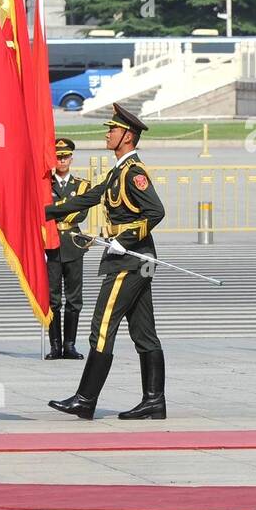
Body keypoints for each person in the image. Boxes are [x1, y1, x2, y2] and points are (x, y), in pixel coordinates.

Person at [48, 103, 168, 420]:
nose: (108, 133)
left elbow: (156, 212)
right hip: (134, 261)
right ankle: (154, 401)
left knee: (101, 327)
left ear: (127, 136)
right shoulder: (118, 171)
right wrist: (43, 211)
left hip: (129, 260)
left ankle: (86, 399)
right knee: (144, 333)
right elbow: (89, 197)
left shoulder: (134, 173)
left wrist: (123, 240)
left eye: (113, 130)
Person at [45, 137, 90, 360]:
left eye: (65, 156)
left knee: (74, 298)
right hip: (51, 243)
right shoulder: (44, 184)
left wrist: (54, 210)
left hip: (73, 242)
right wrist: (57, 210)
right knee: (53, 299)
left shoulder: (81, 185)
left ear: (71, 158)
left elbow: (81, 211)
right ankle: (55, 345)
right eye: (58, 157)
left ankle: (70, 345)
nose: (62, 160)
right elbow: (41, 210)